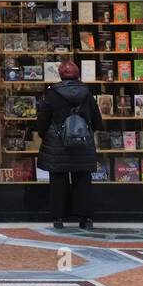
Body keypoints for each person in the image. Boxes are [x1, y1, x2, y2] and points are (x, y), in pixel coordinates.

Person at [36, 61, 104, 229]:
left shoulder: (52, 94)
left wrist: (45, 135)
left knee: (58, 179)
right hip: (83, 145)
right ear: (77, 74)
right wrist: (86, 133)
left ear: (60, 75)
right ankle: (85, 219)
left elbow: (43, 120)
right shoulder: (87, 93)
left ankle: (58, 218)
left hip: (58, 144)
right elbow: (97, 121)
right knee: (83, 179)